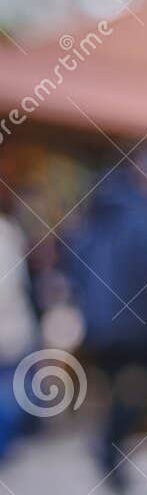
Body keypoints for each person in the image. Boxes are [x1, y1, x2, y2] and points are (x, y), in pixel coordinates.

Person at [61, 165, 147, 494]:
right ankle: (111, 442)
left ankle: (110, 444)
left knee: (118, 388)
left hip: (100, 325)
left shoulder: (88, 225)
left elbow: (74, 274)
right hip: (140, 324)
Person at [0, 190, 39, 463]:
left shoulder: (7, 233)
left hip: (10, 327)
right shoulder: (6, 233)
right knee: (12, 390)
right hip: (10, 327)